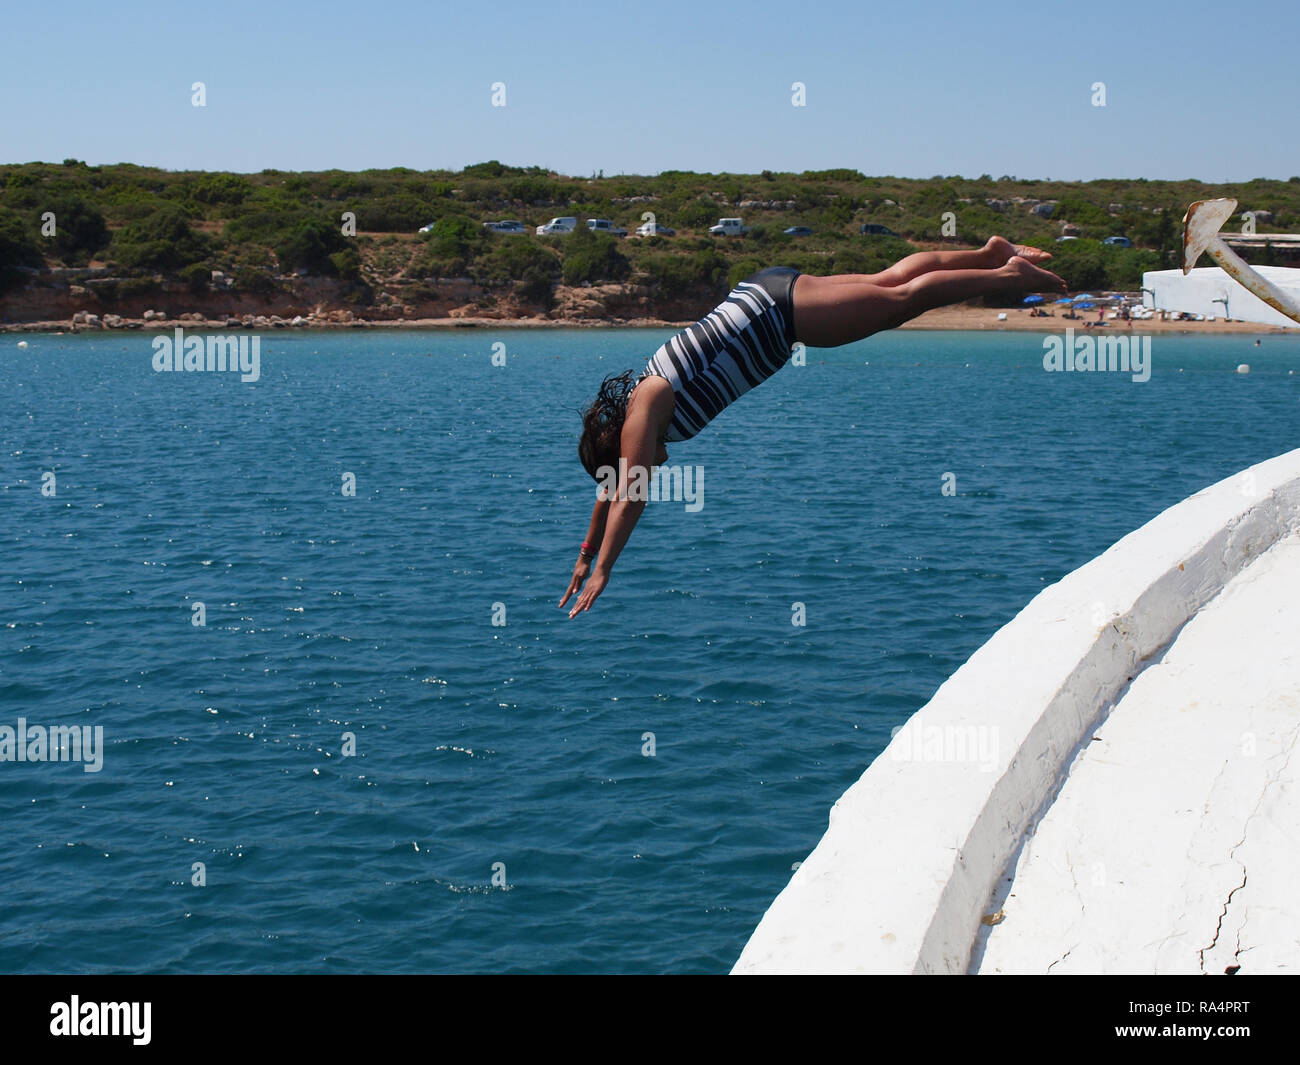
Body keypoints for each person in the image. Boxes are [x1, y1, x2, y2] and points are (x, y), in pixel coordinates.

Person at [560, 236, 1066, 616]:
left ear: (620, 448)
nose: (653, 466)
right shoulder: (642, 408)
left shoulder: (645, 404)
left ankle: (1007, 276)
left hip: (781, 316)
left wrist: (606, 568)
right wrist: (585, 555)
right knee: (890, 280)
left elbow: (629, 494)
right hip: (767, 291)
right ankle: (987, 252)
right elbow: (613, 490)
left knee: (902, 301)